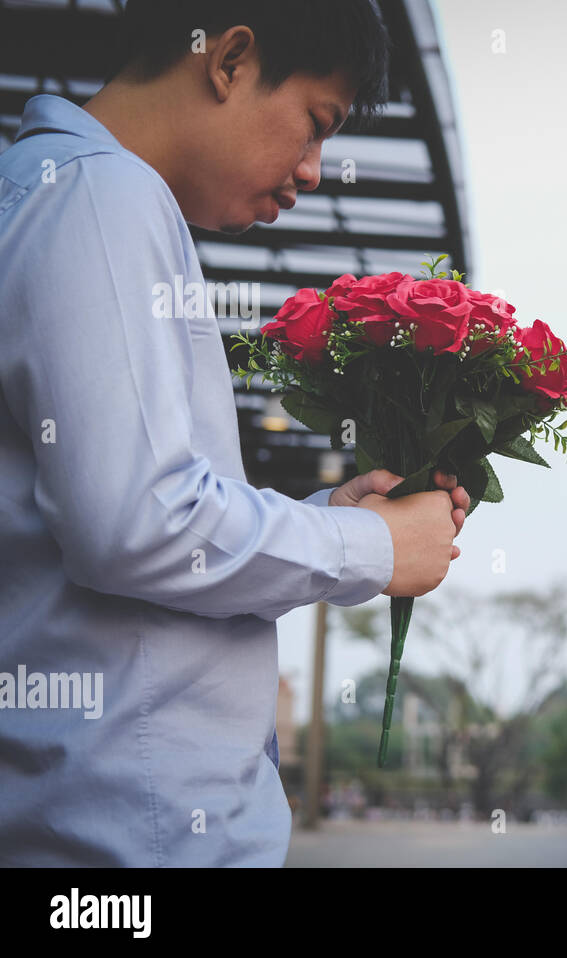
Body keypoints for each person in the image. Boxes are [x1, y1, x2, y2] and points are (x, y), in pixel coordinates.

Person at [0, 0, 466, 866]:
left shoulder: (63, 193)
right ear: (230, 61)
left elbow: (132, 508)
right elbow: (135, 525)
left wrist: (330, 511)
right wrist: (363, 544)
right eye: (315, 125)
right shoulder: (103, 196)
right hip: (128, 843)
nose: (316, 170)